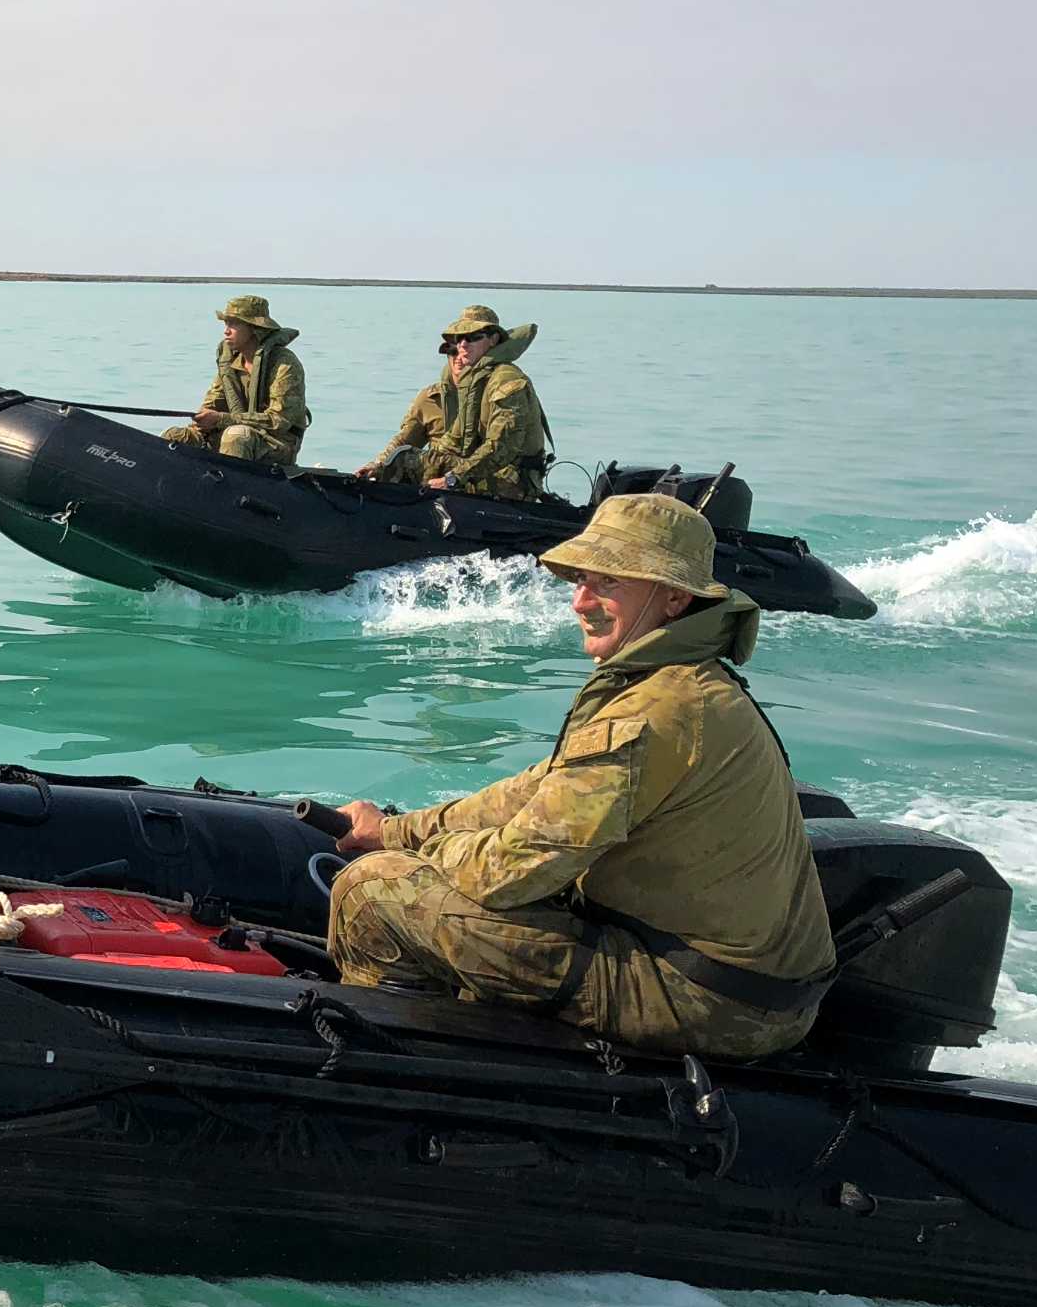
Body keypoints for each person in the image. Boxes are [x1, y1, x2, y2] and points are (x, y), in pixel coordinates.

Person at [320, 492, 835, 1059]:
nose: (580, 602)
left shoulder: (654, 712)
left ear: (673, 598)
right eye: (582, 580)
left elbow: (506, 873)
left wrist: (411, 856)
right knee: (402, 863)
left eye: (608, 583)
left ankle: (403, 1073)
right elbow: (531, 792)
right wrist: (396, 830)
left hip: (707, 1002)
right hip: (735, 983)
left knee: (371, 890)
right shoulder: (683, 681)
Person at [361, 304, 560, 506]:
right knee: (405, 458)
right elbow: (450, 443)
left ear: (493, 340)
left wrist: (452, 478)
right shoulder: (476, 381)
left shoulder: (506, 381)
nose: (463, 345)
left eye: (473, 337)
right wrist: (377, 466)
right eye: (459, 339)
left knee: (408, 461)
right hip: (487, 472)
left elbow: (502, 447)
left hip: (512, 480)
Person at [161, 295, 308, 468]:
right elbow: (213, 405)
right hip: (232, 433)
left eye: (234, 324)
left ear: (255, 328)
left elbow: (278, 421)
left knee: (237, 435)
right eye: (226, 324)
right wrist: (202, 422)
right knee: (174, 436)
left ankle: (229, 491)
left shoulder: (284, 364)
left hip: (275, 444)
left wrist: (220, 419)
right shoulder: (230, 362)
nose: (226, 331)